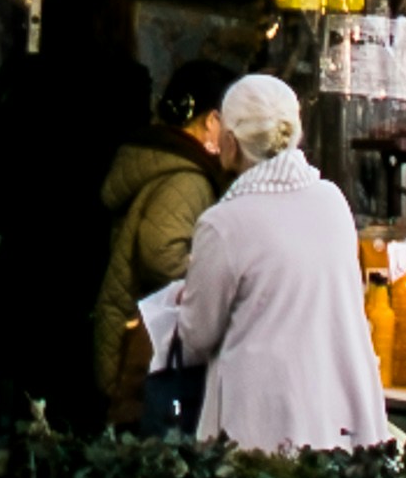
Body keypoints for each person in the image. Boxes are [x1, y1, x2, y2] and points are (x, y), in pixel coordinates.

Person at [147, 71, 391, 453]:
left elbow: (197, 335)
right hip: (338, 413)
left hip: (259, 423)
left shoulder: (223, 223)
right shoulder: (333, 201)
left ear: (229, 142)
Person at [0, 0, 145, 436]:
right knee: (80, 408)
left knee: (10, 404)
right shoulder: (128, 86)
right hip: (91, 260)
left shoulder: (27, 74)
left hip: (23, 255)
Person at [93, 53, 244, 427]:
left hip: (126, 330)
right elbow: (162, 255)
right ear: (212, 121)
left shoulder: (158, 158)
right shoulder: (187, 179)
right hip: (144, 347)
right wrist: (216, 277)